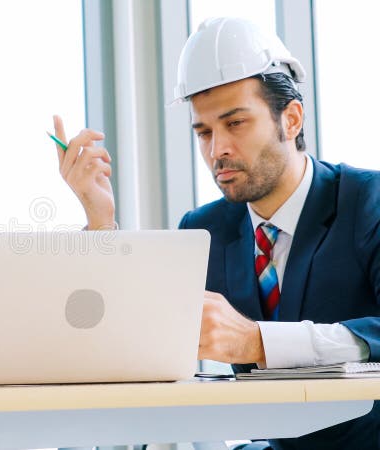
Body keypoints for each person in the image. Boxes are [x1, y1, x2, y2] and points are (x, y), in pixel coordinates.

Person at [54, 17, 380, 450]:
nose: (217, 150)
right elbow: (132, 345)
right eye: (204, 132)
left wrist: (257, 342)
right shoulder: (204, 230)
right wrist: (100, 220)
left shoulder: (366, 201)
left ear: (292, 119)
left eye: (236, 124)